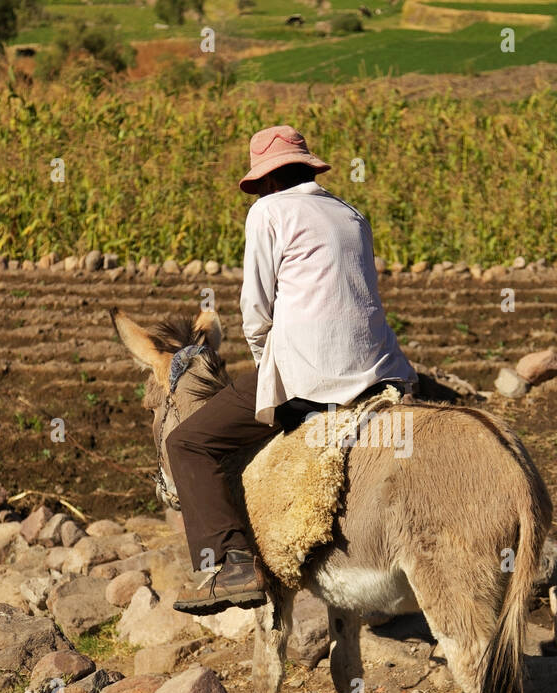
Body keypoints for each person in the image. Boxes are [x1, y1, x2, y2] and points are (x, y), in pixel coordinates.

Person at [168, 124, 416, 615]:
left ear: (265, 181)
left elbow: (256, 310)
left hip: (312, 376)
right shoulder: (351, 212)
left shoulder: (269, 211)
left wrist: (267, 368)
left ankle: (230, 564)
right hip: (383, 369)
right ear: (307, 168)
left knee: (188, 443)